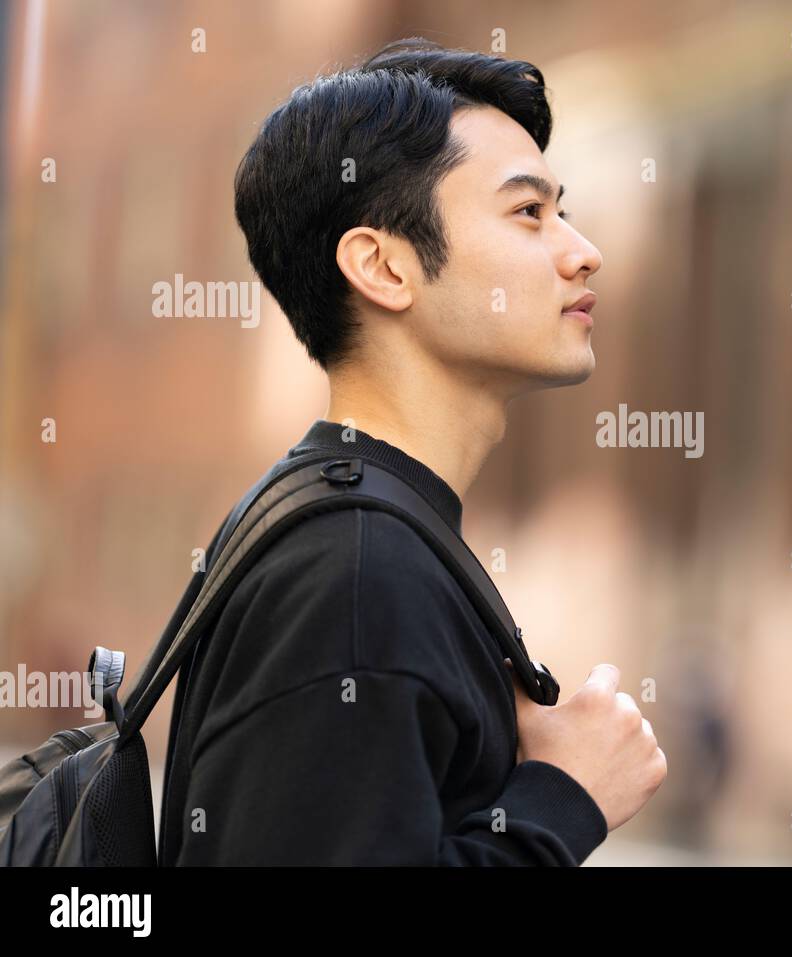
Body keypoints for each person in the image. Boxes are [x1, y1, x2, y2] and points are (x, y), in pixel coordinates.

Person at [157, 37, 666, 865]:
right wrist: (564, 798)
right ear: (383, 267)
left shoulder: (360, 533)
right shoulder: (357, 570)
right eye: (528, 212)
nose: (583, 250)